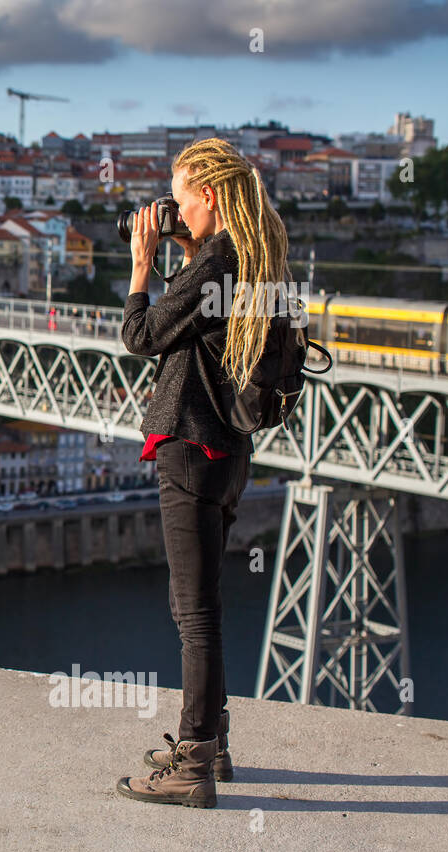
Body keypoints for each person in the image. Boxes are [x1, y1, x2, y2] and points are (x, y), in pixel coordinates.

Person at [115, 137, 291, 810]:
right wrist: (183, 256)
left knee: (194, 616)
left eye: (179, 195)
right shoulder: (248, 254)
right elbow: (201, 323)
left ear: (209, 197)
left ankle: (193, 764)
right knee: (204, 607)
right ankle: (210, 742)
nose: (172, 208)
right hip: (229, 451)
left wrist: (140, 263)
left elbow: (142, 336)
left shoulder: (217, 260)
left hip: (190, 446)